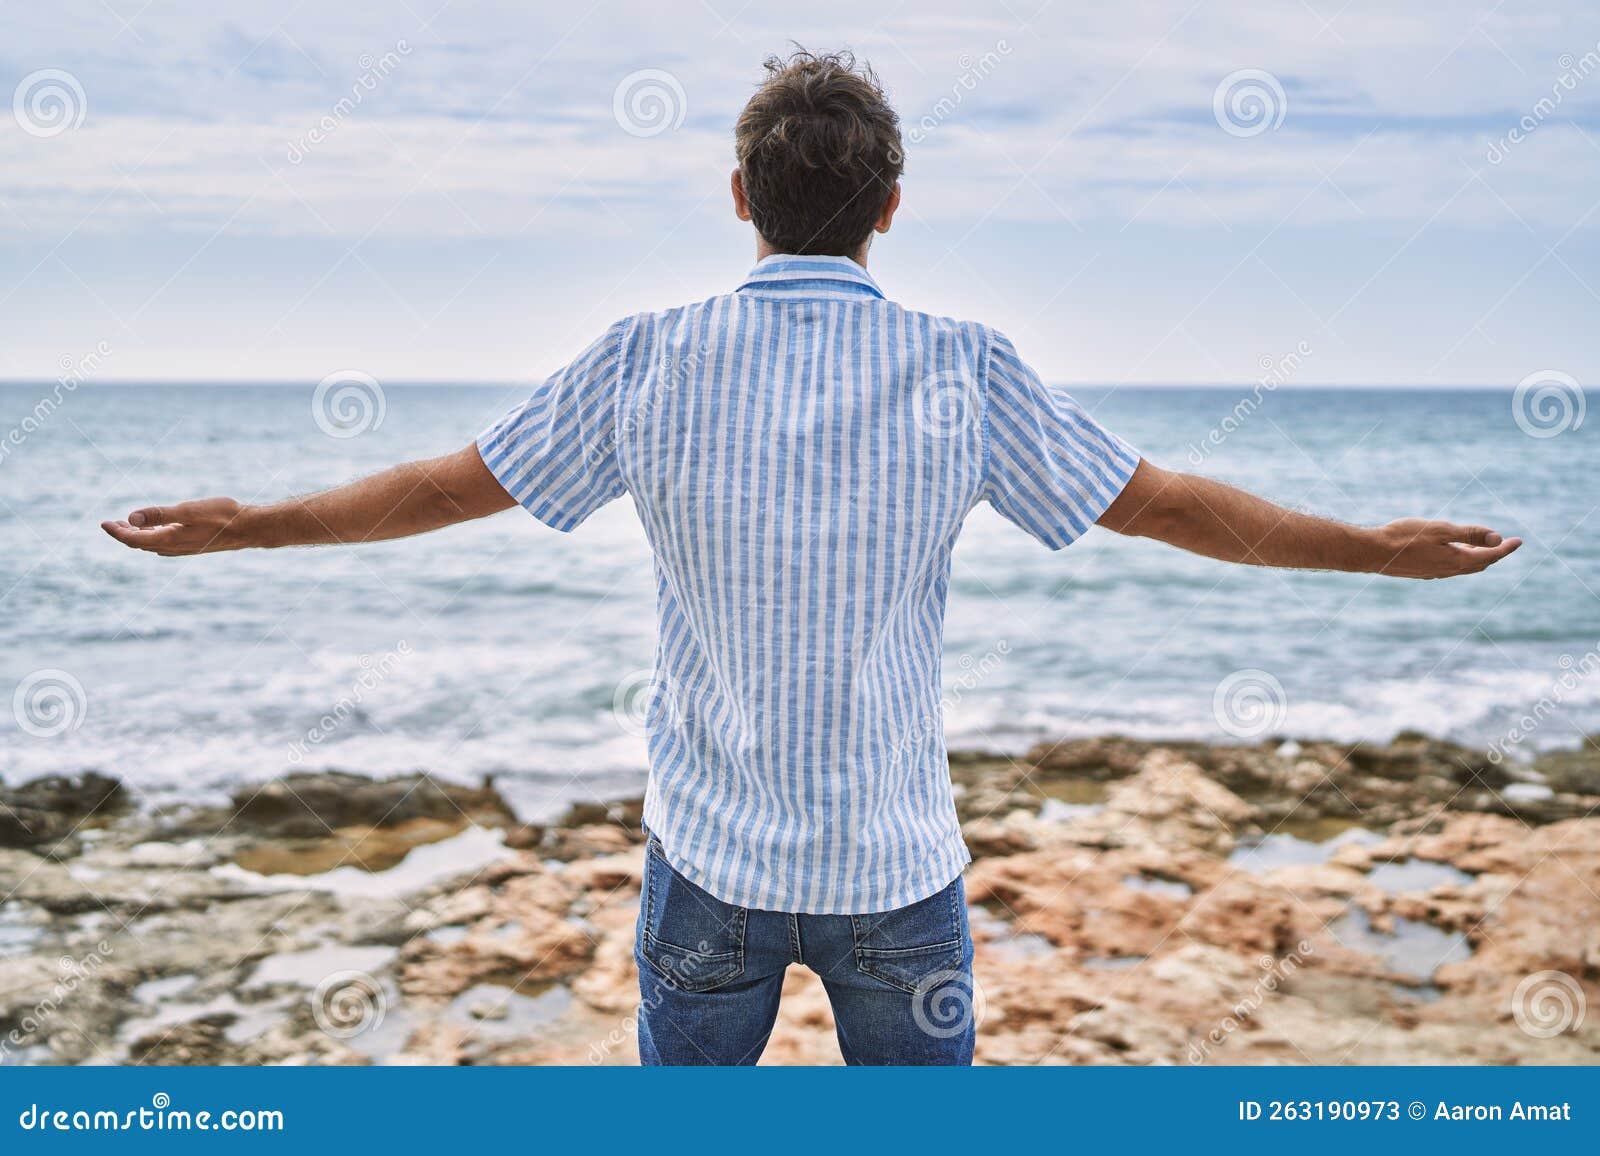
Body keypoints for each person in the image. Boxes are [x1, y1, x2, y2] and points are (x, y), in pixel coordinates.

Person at [102, 49, 1521, 1066]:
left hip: (708, 861)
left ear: (739, 196)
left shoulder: (647, 356)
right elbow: (1168, 508)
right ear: (890, 209)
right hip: (896, 871)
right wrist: (1378, 552)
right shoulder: (964, 368)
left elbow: (438, 489)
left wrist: (244, 525)